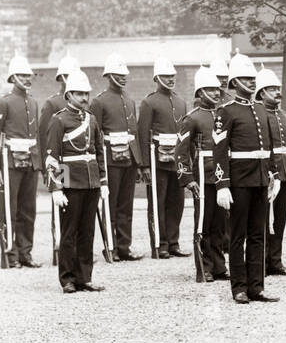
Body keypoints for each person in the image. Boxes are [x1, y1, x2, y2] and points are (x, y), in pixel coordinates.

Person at [214, 53, 279, 304]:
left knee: (257, 235)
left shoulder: (261, 109)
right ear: (233, 83)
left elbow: (269, 148)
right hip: (239, 181)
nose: (251, 83)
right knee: (238, 236)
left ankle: (256, 286)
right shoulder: (226, 111)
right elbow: (220, 149)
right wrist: (222, 184)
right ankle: (239, 288)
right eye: (245, 79)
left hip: (261, 180)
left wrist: (273, 176)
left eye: (252, 79)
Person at [44, 70, 108, 294]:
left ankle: (84, 277)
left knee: (87, 232)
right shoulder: (59, 119)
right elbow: (53, 156)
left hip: (91, 183)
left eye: (86, 94)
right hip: (71, 182)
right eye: (79, 94)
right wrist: (57, 187)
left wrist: (103, 181)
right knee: (69, 234)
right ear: (69, 94)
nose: (84, 98)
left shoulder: (91, 119)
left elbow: (99, 152)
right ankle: (68, 279)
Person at [0, 54, 42, 269]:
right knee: (10, 208)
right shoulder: (3, 103)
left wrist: (41, 163)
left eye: (29, 75)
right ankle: (10, 254)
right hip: (10, 162)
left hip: (30, 160)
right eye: (22, 75)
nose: (27, 79)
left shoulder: (34, 102)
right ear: (12, 77)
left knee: (28, 209)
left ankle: (26, 252)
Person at [91, 54, 145, 261]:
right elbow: (95, 134)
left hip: (129, 158)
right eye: (118, 74)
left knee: (126, 204)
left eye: (124, 75)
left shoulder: (129, 100)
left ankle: (124, 245)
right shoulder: (99, 101)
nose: (123, 78)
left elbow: (135, 133)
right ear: (108, 75)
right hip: (110, 158)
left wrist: (139, 163)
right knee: (110, 203)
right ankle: (110, 246)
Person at [178, 66, 229, 281]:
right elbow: (180, 151)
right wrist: (187, 178)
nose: (216, 93)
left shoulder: (224, 114)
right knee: (203, 223)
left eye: (217, 89)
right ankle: (204, 267)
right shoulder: (192, 118)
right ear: (200, 93)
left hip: (222, 175)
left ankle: (219, 266)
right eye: (210, 89)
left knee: (220, 224)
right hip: (203, 173)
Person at [138, 58, 188, 259]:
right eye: (166, 76)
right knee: (158, 202)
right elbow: (143, 133)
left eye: (172, 76)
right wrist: (144, 165)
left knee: (177, 203)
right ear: (157, 78)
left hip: (177, 161)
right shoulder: (149, 102)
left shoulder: (181, 101)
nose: (170, 79)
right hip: (157, 160)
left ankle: (174, 242)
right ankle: (160, 244)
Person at [255, 67, 286, 276]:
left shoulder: (282, 114)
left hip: (285, 171)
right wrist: (270, 172)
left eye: (278, 88)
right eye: (272, 89)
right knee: (263, 219)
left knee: (280, 219)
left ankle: (276, 260)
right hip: (267, 173)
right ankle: (262, 260)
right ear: (262, 93)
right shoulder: (259, 113)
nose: (278, 92)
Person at [39, 54, 79, 152]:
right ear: (61, 78)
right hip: (62, 159)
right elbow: (44, 138)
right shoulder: (52, 103)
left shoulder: (83, 102)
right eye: (69, 76)